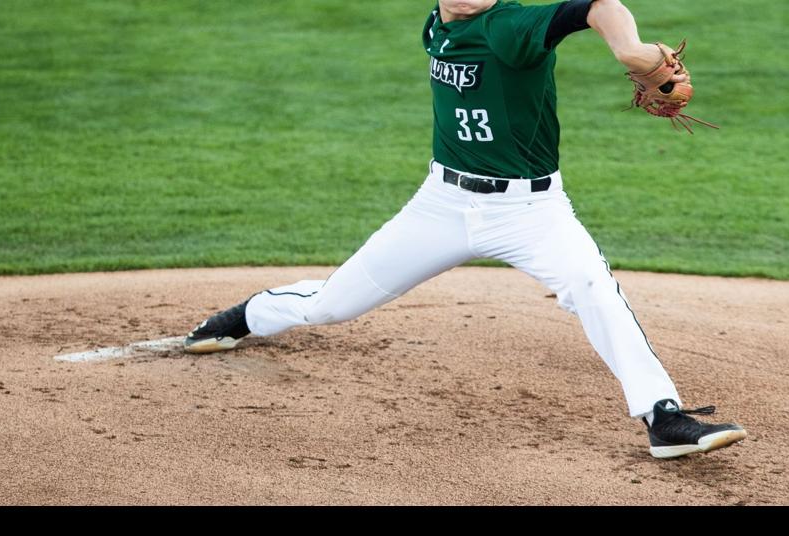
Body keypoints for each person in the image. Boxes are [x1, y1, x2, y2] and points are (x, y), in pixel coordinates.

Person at [183, 0, 746, 460]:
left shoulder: (509, 26)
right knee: (332, 306)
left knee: (593, 289)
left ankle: (663, 417)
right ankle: (250, 314)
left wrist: (628, 48)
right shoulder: (437, 23)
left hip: (531, 213)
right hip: (441, 205)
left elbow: (598, 7)